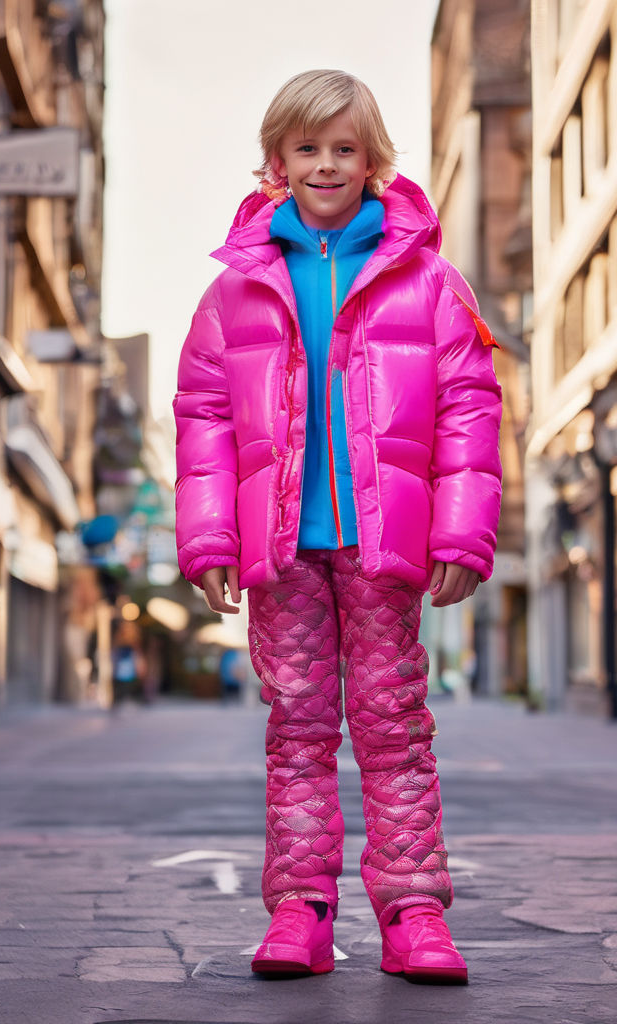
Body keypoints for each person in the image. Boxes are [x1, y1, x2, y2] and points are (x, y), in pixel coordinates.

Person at [174, 69, 502, 984]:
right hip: (281, 552)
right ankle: (302, 911)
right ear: (277, 163)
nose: (326, 165)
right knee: (299, 730)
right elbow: (201, 419)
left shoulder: (430, 282)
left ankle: (414, 916)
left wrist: (462, 531)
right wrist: (206, 539)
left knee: (395, 725)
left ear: (372, 162)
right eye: (307, 149)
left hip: (384, 545)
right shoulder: (233, 292)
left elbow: (471, 406)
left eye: (345, 149)